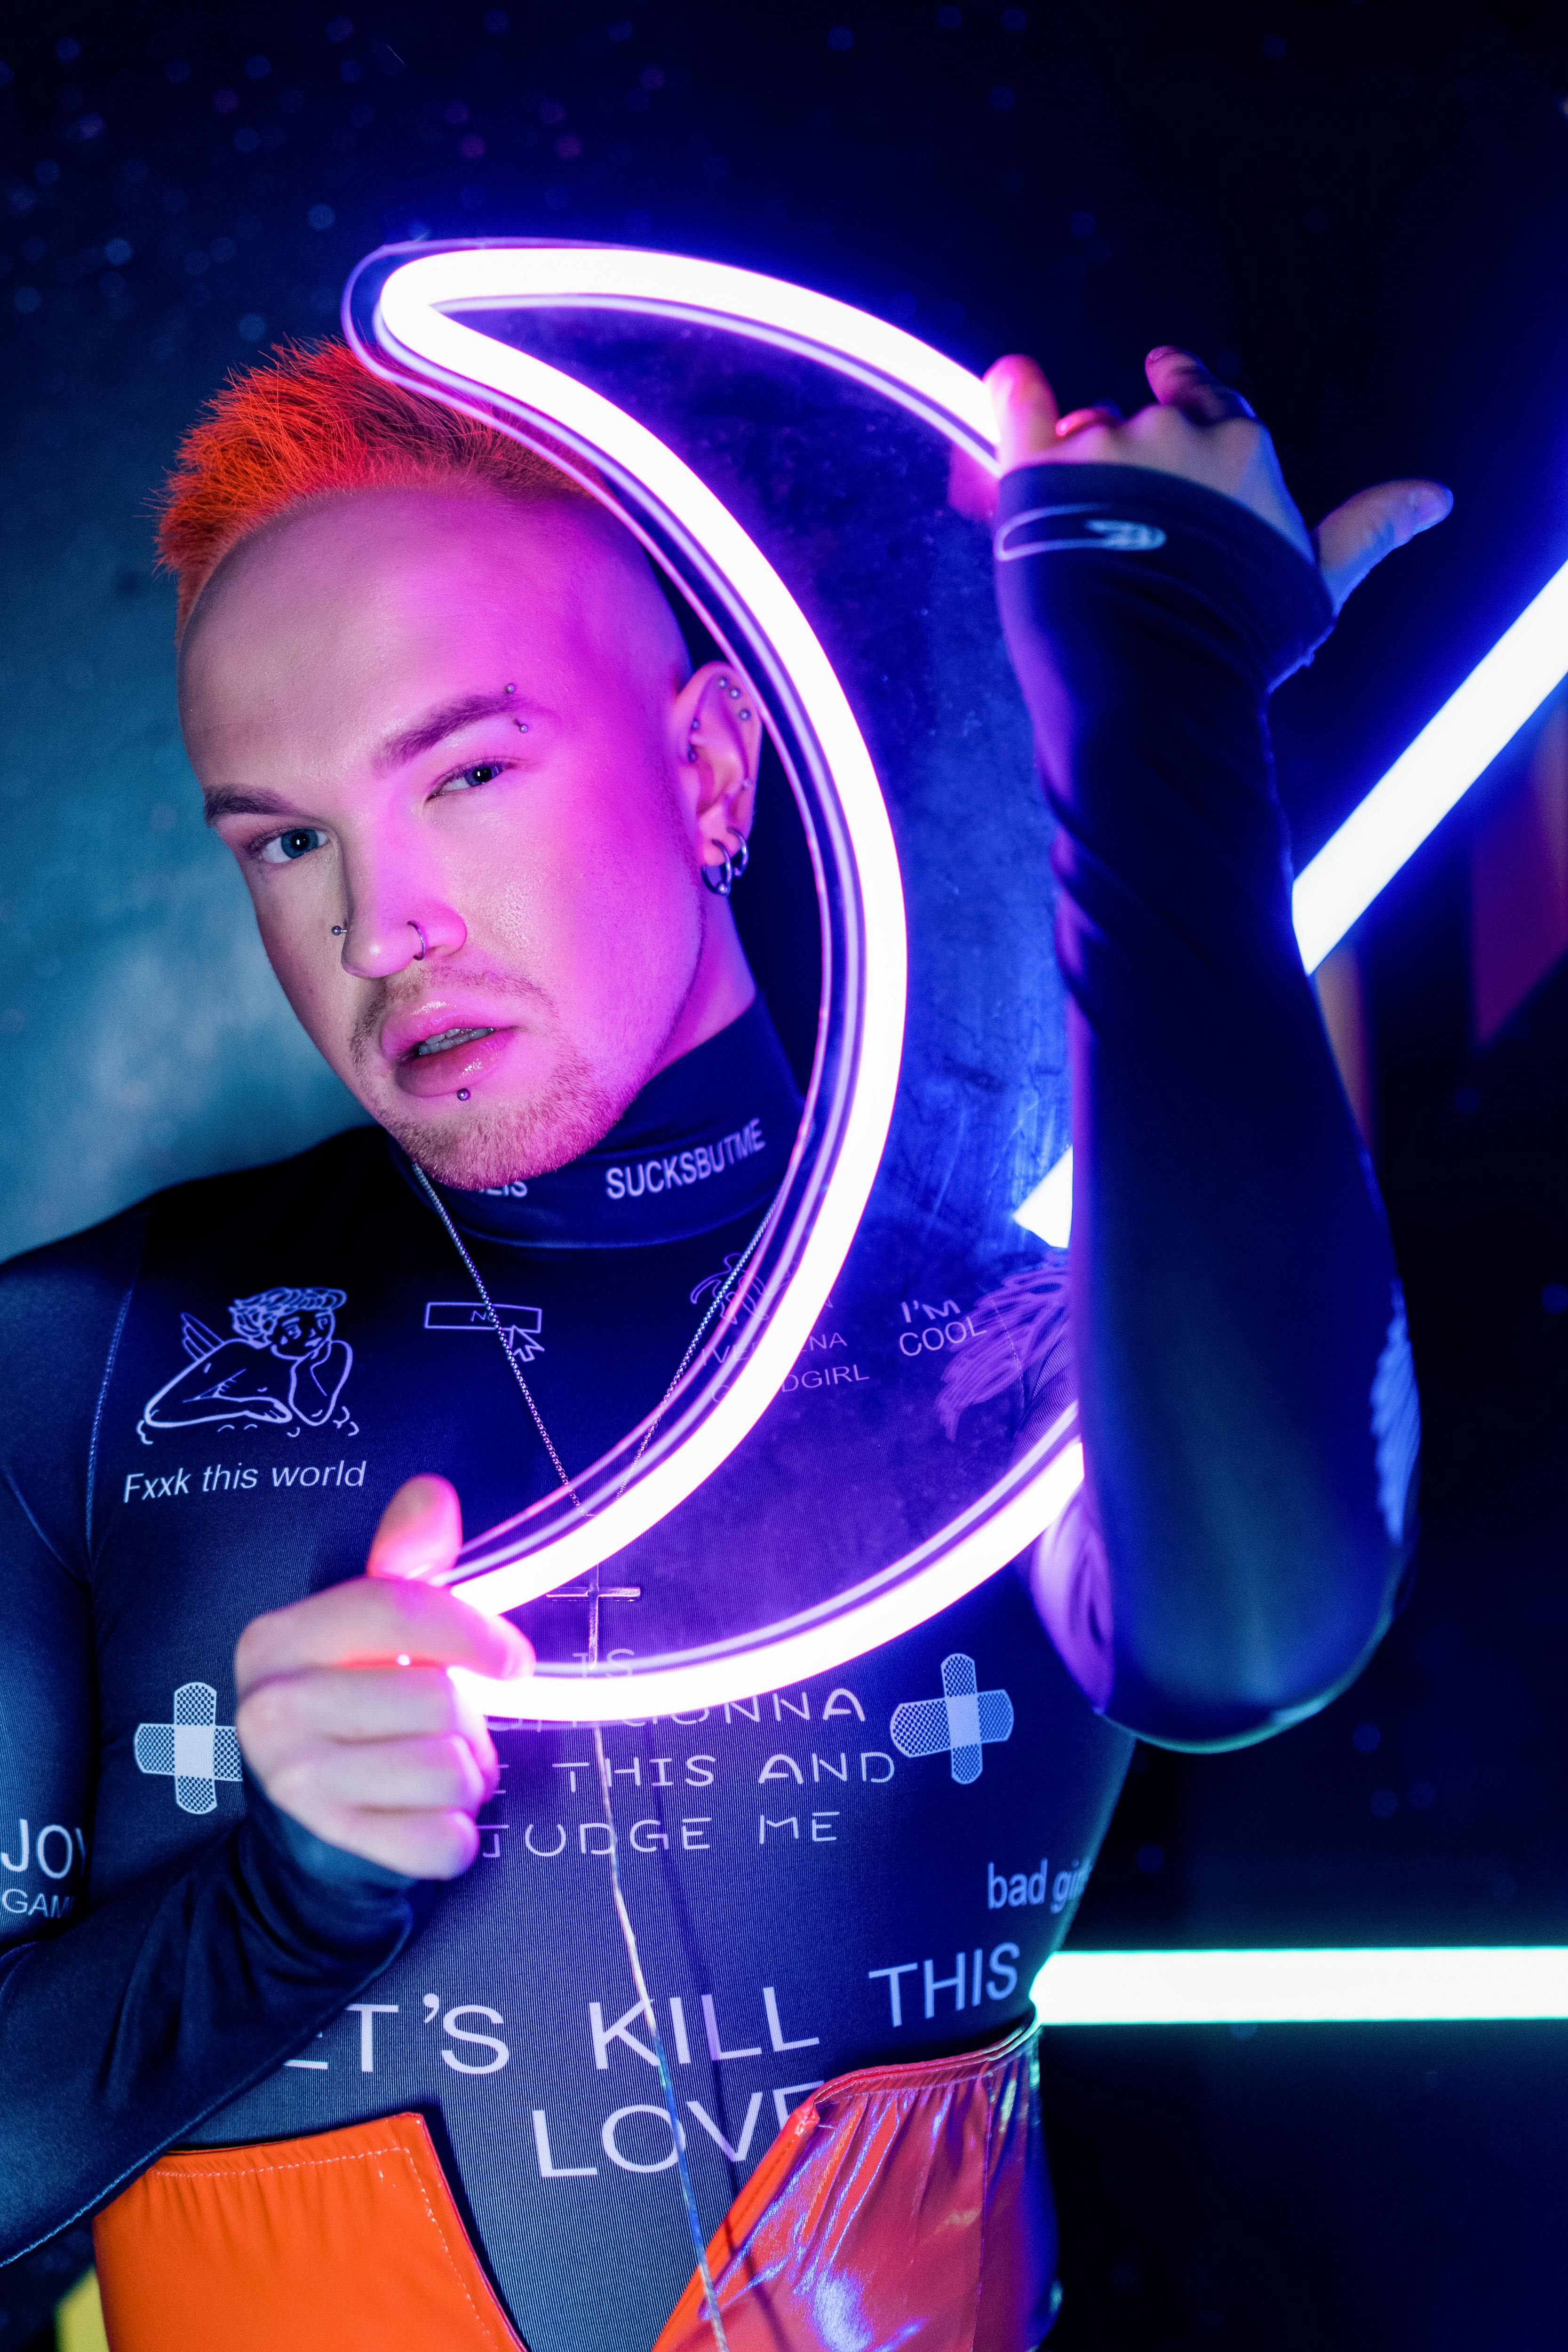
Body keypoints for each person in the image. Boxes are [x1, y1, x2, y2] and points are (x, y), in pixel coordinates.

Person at [0, 335, 1445, 2352]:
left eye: (470, 771)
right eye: (285, 838)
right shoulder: (71, 1372)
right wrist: (274, 1902)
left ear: (709, 767)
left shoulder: (1004, 1360)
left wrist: (1162, 682)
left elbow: (1259, 1624)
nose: (381, 919)